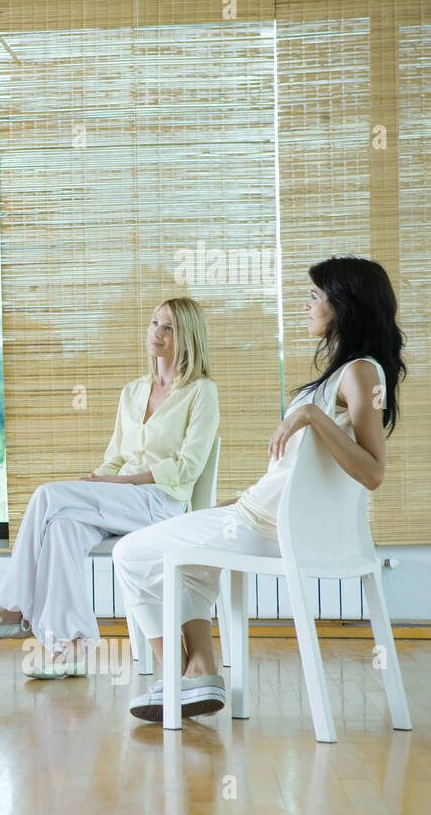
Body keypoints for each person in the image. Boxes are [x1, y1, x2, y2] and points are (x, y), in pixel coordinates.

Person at [115, 257, 406, 721]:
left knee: (128, 554)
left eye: (315, 296)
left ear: (344, 306)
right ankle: (202, 671)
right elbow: (288, 481)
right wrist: (233, 503)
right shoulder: (347, 372)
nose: (306, 305)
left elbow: (373, 472)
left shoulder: (360, 373)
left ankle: (176, 679)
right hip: (260, 518)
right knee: (187, 557)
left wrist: (309, 416)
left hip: (266, 529)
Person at [0, 298, 220, 679]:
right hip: (120, 499)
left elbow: (187, 467)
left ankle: (10, 609)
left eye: (168, 328)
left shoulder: (201, 392)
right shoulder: (132, 392)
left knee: (48, 495)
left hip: (161, 503)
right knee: (62, 527)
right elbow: (114, 457)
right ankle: (71, 647)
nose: (156, 333)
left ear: (188, 337)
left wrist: (119, 482)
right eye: (154, 323)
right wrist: (96, 481)